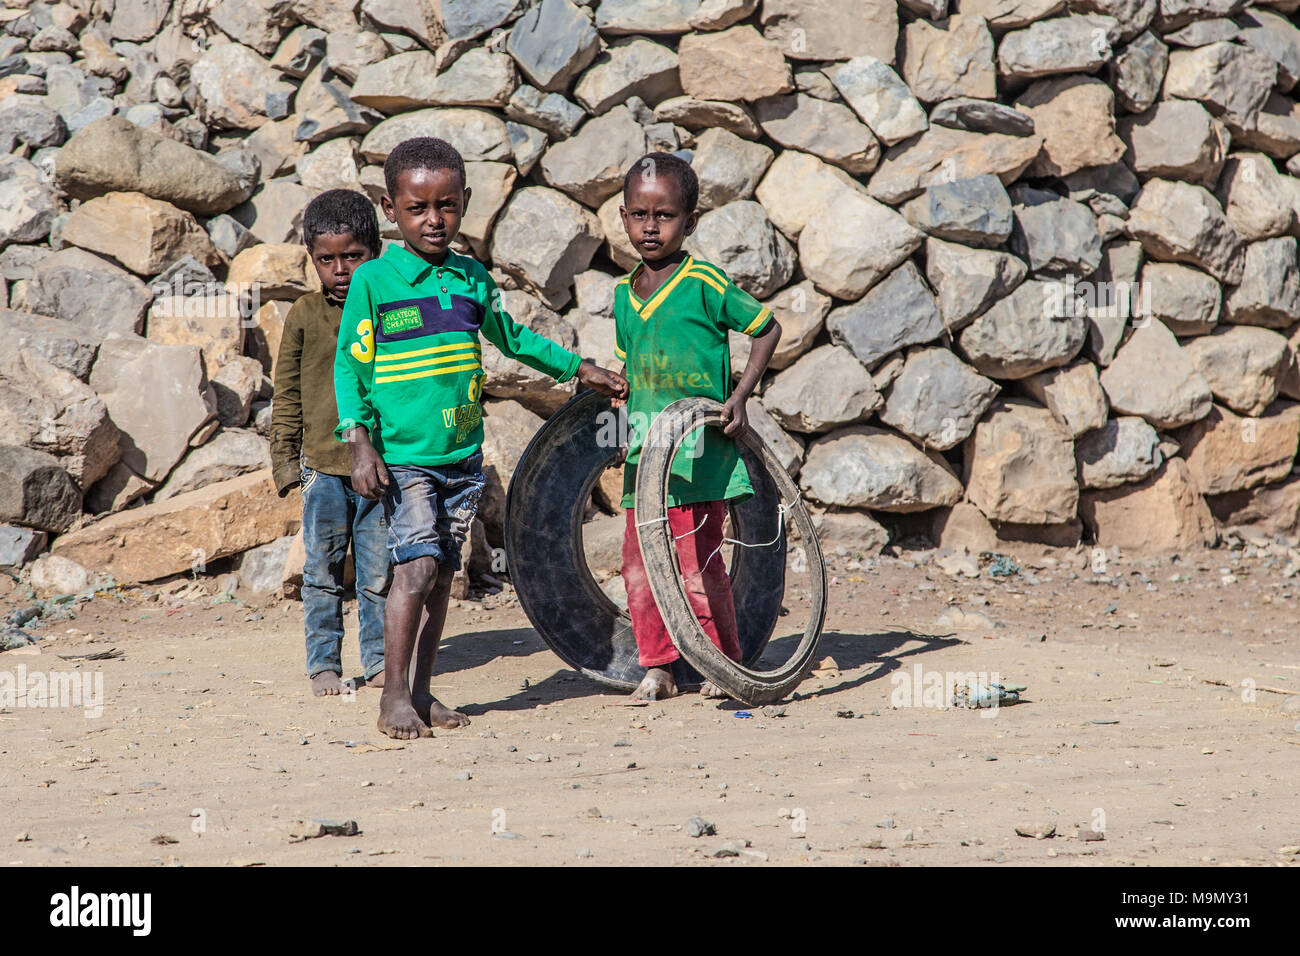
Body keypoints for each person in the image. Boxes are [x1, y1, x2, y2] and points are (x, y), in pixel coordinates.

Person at [334, 136, 628, 740]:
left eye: (446, 206)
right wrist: (358, 442)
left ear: (465, 202)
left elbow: (513, 338)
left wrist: (579, 368)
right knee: (414, 570)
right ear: (390, 210)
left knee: (443, 577)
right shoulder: (374, 281)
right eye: (418, 208)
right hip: (406, 459)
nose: (433, 220)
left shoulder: (471, 278)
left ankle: (421, 693)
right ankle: (391, 697)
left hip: (462, 460)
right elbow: (349, 365)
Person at [613, 153, 782, 701]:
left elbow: (766, 327)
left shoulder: (704, 282)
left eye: (664, 216)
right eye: (640, 215)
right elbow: (629, 367)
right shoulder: (622, 294)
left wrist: (738, 397)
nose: (650, 227)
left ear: (690, 222)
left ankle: (719, 663)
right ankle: (658, 667)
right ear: (623, 217)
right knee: (640, 571)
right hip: (647, 461)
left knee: (698, 566)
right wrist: (618, 410)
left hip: (698, 458)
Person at [271, 188, 389, 697]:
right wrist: (285, 465)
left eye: (353, 256)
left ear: (376, 251)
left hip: (382, 468)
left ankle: (382, 661)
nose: (340, 269)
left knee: (378, 574)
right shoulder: (303, 315)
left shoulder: (393, 309)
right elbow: (287, 392)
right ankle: (324, 664)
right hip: (321, 468)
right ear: (312, 260)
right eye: (327, 259)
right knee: (320, 572)